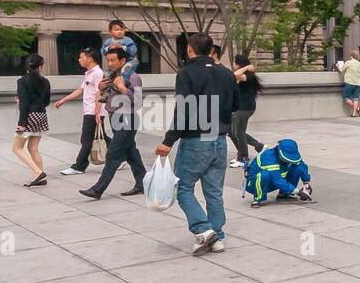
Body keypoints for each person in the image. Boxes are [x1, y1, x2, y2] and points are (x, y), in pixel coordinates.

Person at [157, 32, 238, 255]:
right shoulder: (227, 74)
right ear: (211, 51)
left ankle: (203, 229)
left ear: (190, 50)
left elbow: (183, 108)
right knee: (214, 191)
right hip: (220, 139)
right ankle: (217, 237)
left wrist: (168, 140)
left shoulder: (186, 73)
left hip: (195, 140)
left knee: (182, 187)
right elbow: (235, 105)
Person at [79, 46, 146, 200]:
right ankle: (142, 183)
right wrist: (101, 89)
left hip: (127, 118)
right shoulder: (112, 76)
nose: (109, 63)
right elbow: (105, 98)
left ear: (123, 60)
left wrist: (122, 87)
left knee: (113, 153)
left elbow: (137, 101)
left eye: (113, 60)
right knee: (131, 153)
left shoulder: (133, 77)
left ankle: (98, 189)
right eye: (108, 60)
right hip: (114, 117)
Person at [54, 47, 108, 176]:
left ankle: (79, 166)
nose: (79, 59)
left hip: (94, 111)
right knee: (102, 137)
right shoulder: (89, 73)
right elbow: (80, 90)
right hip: (90, 110)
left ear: (89, 58)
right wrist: (64, 99)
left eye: (81, 57)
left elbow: (99, 93)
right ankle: (122, 156)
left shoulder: (98, 73)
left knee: (86, 139)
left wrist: (97, 112)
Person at [12, 53, 51, 188]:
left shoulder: (22, 81)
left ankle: (37, 172)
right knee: (33, 148)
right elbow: (46, 102)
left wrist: (21, 124)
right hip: (41, 116)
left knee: (16, 148)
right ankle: (39, 176)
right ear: (40, 66)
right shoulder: (46, 81)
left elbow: (24, 105)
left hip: (28, 117)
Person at [246, 139, 313, 206]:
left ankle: (284, 194)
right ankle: (259, 199)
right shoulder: (268, 158)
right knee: (264, 175)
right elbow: (278, 180)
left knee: (297, 168)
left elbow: (301, 165)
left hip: (274, 181)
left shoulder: (292, 154)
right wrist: (298, 192)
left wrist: (306, 182)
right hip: (254, 184)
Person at [228, 53, 265, 169]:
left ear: (239, 64)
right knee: (231, 131)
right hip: (240, 107)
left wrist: (247, 67)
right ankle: (255, 148)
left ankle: (243, 158)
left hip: (245, 108)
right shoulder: (246, 74)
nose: (233, 65)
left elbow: (235, 74)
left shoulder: (248, 75)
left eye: (234, 63)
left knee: (239, 132)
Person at [340, 50, 360, 117]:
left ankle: (358, 108)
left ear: (351, 55)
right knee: (356, 98)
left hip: (349, 82)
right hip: (357, 83)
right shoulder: (359, 64)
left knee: (346, 98)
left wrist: (338, 67)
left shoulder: (348, 62)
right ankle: (354, 113)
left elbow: (342, 70)